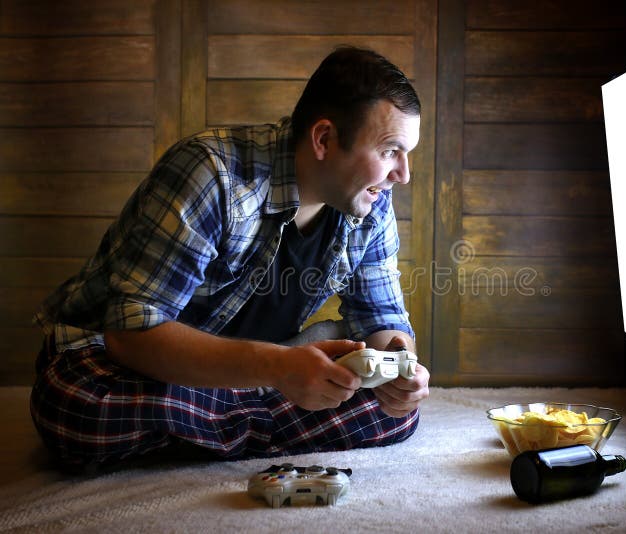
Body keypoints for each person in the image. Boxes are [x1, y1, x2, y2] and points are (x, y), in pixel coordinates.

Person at [29, 46, 430, 470]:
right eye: (390, 151)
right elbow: (130, 334)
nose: (402, 174)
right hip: (127, 362)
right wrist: (277, 369)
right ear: (324, 139)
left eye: (407, 154)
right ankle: (247, 418)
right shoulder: (212, 172)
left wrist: (400, 371)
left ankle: (203, 429)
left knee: (394, 415)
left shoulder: (370, 203)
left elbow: (382, 318)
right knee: (76, 407)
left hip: (253, 374)